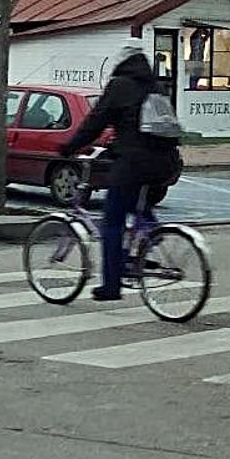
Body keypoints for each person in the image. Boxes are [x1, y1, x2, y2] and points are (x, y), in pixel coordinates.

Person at [58, 39, 181, 301]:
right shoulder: (155, 86)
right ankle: (146, 241)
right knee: (137, 204)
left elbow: (95, 122)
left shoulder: (120, 85)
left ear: (121, 62)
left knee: (112, 221)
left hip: (135, 163)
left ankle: (111, 286)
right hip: (166, 162)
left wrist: (69, 147)